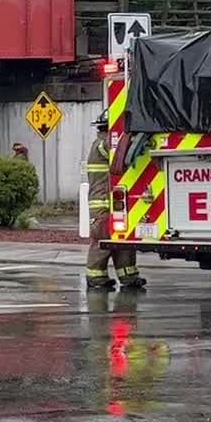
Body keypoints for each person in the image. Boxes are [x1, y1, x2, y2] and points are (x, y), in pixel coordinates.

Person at [85, 113, 146, 291]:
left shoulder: (104, 142)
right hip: (101, 201)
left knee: (122, 240)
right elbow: (115, 148)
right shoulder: (101, 144)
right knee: (102, 239)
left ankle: (128, 275)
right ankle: (96, 277)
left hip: (112, 199)